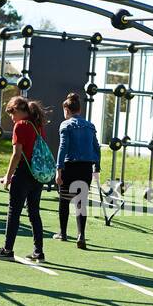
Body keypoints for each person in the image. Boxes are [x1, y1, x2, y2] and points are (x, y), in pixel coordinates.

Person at [0, 96, 48, 262]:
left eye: (11, 113)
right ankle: (39, 251)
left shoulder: (20, 126)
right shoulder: (37, 124)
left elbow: (16, 155)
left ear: (17, 110)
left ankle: (8, 249)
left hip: (23, 172)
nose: (11, 117)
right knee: (34, 212)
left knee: (13, 211)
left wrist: (7, 177)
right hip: (37, 174)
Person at [54, 92, 100, 249]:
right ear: (79, 109)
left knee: (64, 200)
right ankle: (81, 234)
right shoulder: (90, 125)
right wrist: (97, 166)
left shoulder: (65, 125)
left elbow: (63, 147)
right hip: (86, 167)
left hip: (70, 166)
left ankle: (63, 232)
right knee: (81, 202)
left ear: (66, 110)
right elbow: (96, 147)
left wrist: (58, 169)